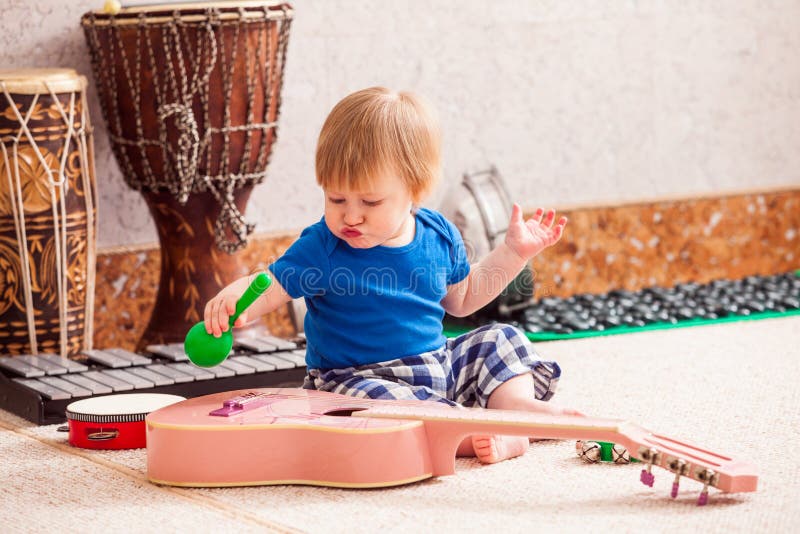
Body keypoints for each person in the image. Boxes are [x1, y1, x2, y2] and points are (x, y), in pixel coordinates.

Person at [203, 86, 579, 464]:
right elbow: (272, 287)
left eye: (370, 202)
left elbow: (463, 300)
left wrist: (512, 254)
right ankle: (469, 434)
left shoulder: (438, 234)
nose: (351, 216)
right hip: (354, 381)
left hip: (437, 365)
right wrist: (238, 300)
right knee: (378, 416)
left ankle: (516, 409)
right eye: (336, 199)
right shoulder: (322, 247)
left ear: (414, 190)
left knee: (501, 338)